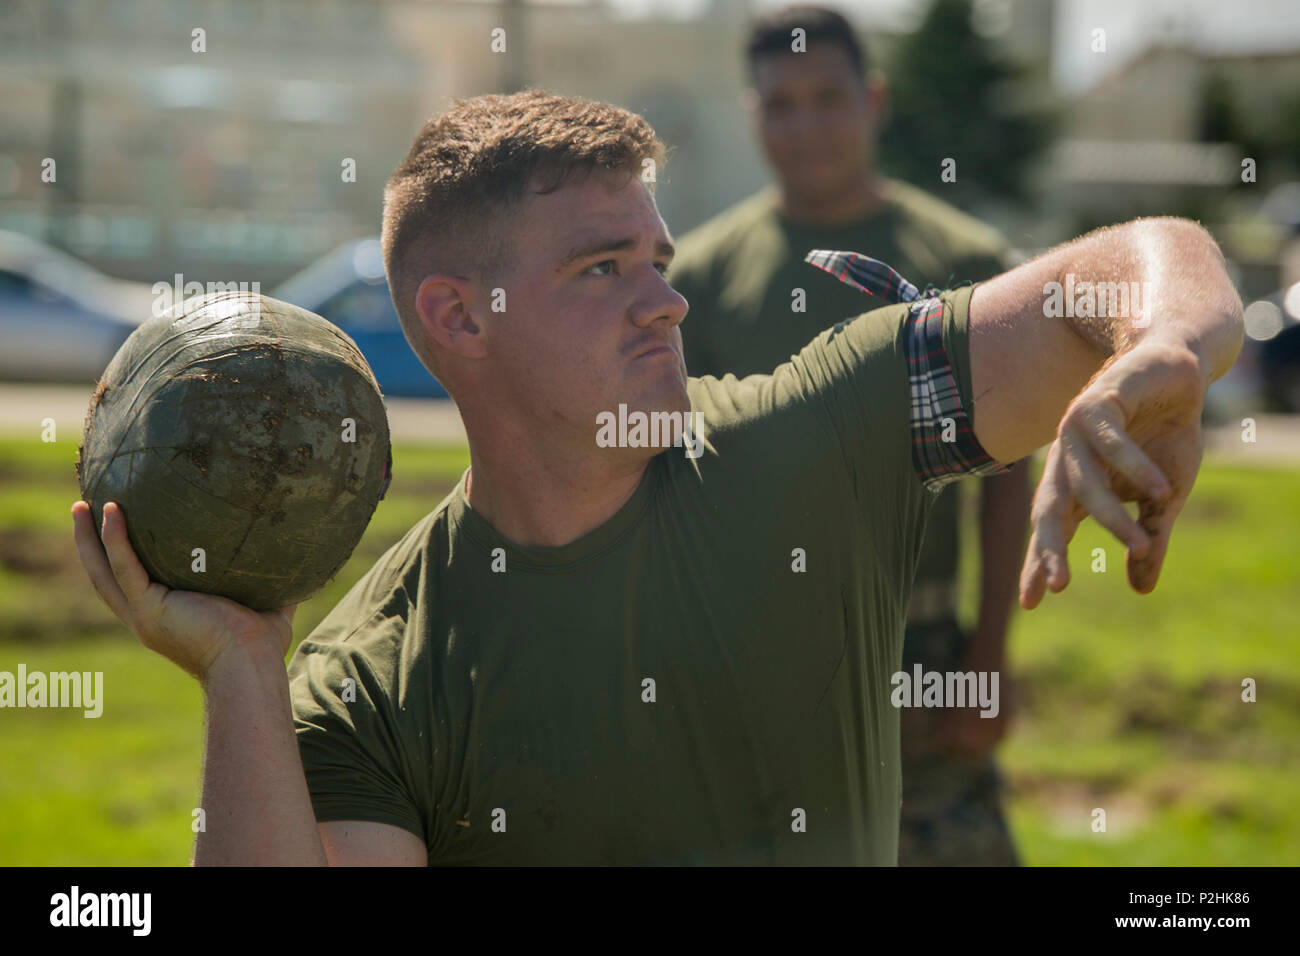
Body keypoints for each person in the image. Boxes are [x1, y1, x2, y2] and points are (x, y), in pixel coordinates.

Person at [72, 88, 1243, 866]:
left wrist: (1160, 350)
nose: (667, 299)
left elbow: (1151, 257)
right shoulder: (371, 678)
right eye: (600, 268)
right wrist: (238, 673)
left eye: (658, 260)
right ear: (455, 316)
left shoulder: (818, 435)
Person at [667, 5, 1031, 865]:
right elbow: (667, 481)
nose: (806, 125)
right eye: (780, 103)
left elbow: (1011, 470)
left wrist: (990, 655)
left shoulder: (966, 262)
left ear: (873, 99)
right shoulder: (698, 280)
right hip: (756, 661)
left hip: (925, 656)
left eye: (828, 97)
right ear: (753, 116)